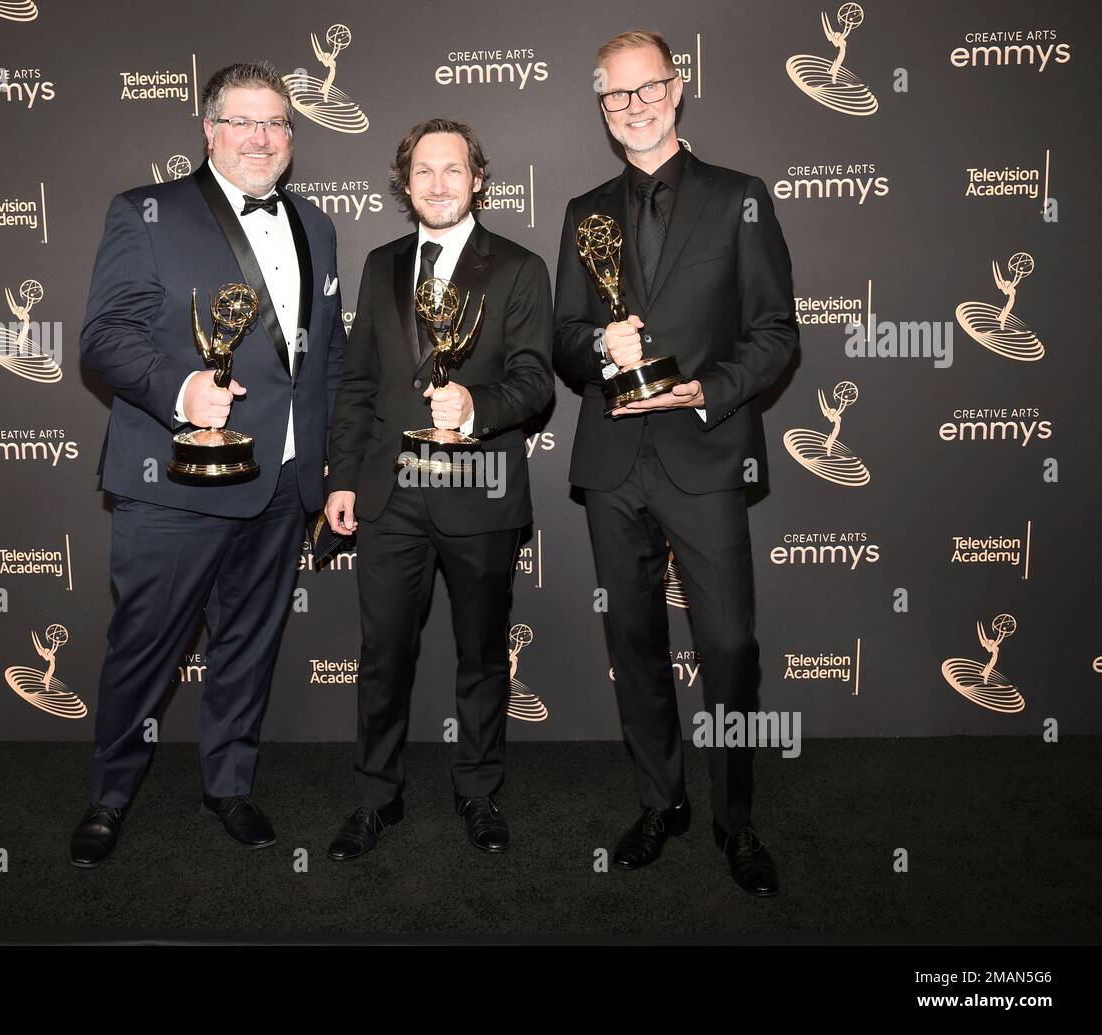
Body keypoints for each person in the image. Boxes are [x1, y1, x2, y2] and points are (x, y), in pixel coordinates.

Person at [71, 61, 347, 867]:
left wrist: (323, 471)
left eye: (277, 124)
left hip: (279, 489)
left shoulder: (318, 226)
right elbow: (104, 336)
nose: (262, 138)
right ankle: (109, 796)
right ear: (209, 129)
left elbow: (323, 359)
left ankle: (229, 784)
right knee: (145, 647)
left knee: (248, 647)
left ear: (291, 138)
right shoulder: (146, 213)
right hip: (176, 484)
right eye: (244, 122)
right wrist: (182, 386)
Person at [553, 31, 798, 894]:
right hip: (615, 463)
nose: (634, 105)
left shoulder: (742, 198)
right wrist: (596, 343)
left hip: (705, 453)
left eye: (647, 87)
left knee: (728, 646)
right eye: (616, 96)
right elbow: (563, 340)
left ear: (678, 86)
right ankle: (662, 801)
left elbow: (776, 336)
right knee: (636, 643)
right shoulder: (584, 212)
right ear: (602, 105)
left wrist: (702, 391)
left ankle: (736, 820)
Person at [324, 118, 553, 859]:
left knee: (483, 653)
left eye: (452, 170)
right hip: (390, 496)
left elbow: (535, 382)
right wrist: (343, 479)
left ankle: (479, 791)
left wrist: (477, 409)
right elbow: (358, 382)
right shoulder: (381, 263)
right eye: (423, 171)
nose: (438, 184)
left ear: (478, 178)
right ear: (405, 182)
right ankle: (374, 796)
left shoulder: (518, 267)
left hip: (479, 491)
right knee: (383, 651)